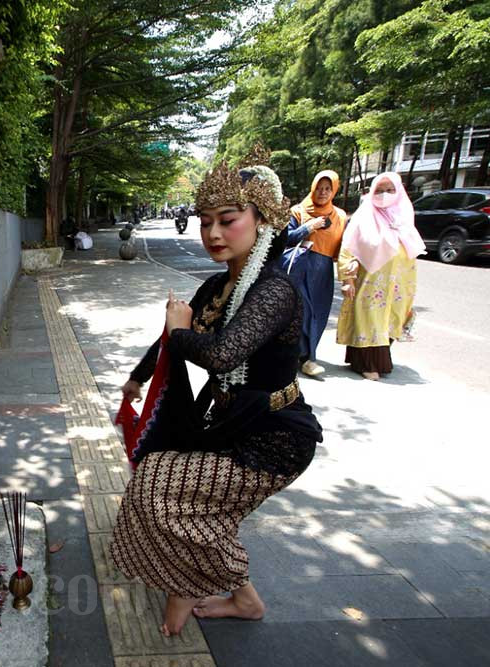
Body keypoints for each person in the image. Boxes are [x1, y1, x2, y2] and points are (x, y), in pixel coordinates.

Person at [110, 155, 322, 637]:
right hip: (225, 427)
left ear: (262, 222)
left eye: (228, 221)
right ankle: (244, 601)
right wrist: (137, 377)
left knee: (161, 493)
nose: (213, 233)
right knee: (199, 511)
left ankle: (185, 588)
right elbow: (170, 337)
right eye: (206, 222)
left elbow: (222, 354)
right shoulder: (216, 285)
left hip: (274, 440)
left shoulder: (275, 291)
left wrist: (181, 332)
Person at [336, 172, 424, 379]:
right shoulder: (364, 216)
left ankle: (377, 361)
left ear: (399, 191)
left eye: (390, 190)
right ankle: (367, 364)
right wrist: (347, 280)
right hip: (370, 284)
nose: (384, 195)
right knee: (369, 321)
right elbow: (348, 248)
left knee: (391, 320)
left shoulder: (404, 215)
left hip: (399, 283)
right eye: (379, 190)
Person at [281, 170, 347, 378]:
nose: (322, 192)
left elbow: (348, 247)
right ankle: (297, 355)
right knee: (302, 310)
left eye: (327, 189)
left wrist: (350, 274)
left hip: (324, 271)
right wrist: (308, 227)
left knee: (319, 312)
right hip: (300, 266)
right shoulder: (298, 211)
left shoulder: (340, 217)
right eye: (319, 187)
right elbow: (286, 238)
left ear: (334, 190)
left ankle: (308, 357)